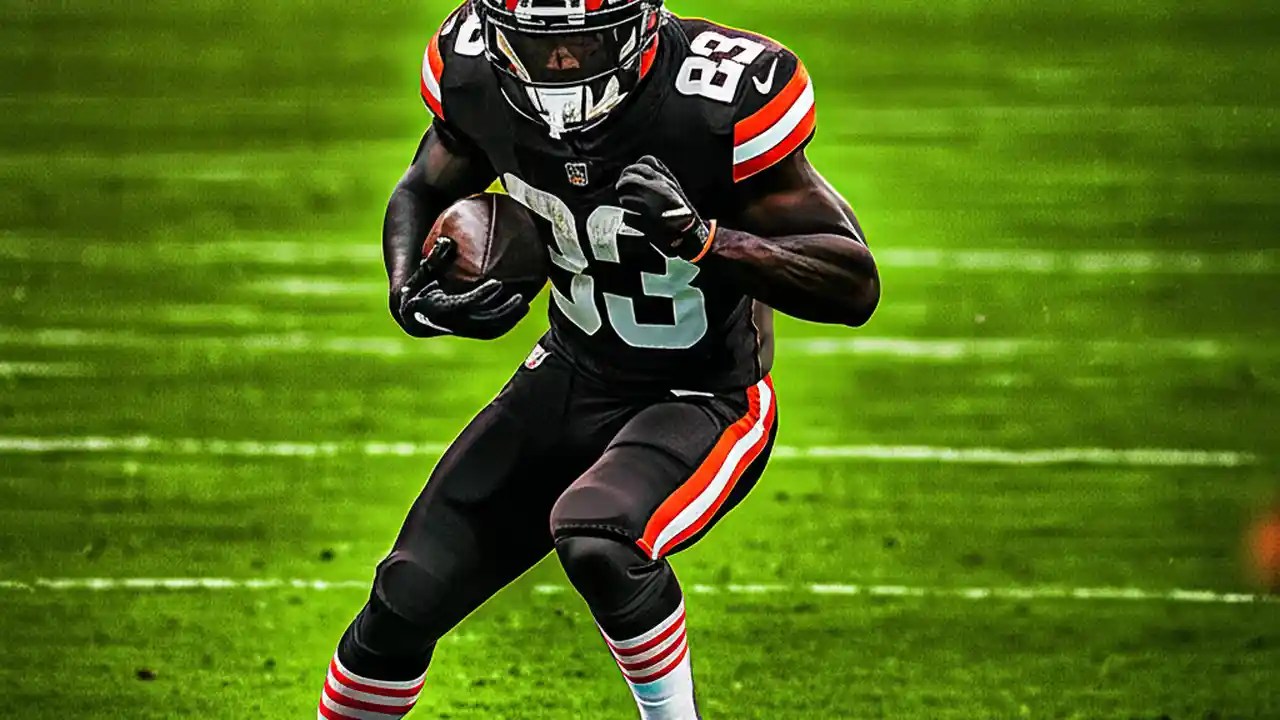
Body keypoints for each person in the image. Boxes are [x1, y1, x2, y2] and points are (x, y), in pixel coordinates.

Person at [317, 1, 879, 717]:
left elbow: (853, 283)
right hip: (571, 370)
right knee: (406, 595)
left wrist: (709, 241)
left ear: (640, 26)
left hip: (705, 395)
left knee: (599, 535)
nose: (560, 65)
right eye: (539, 44)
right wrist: (410, 293)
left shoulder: (715, 99)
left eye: (585, 43)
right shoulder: (474, 74)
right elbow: (423, 188)